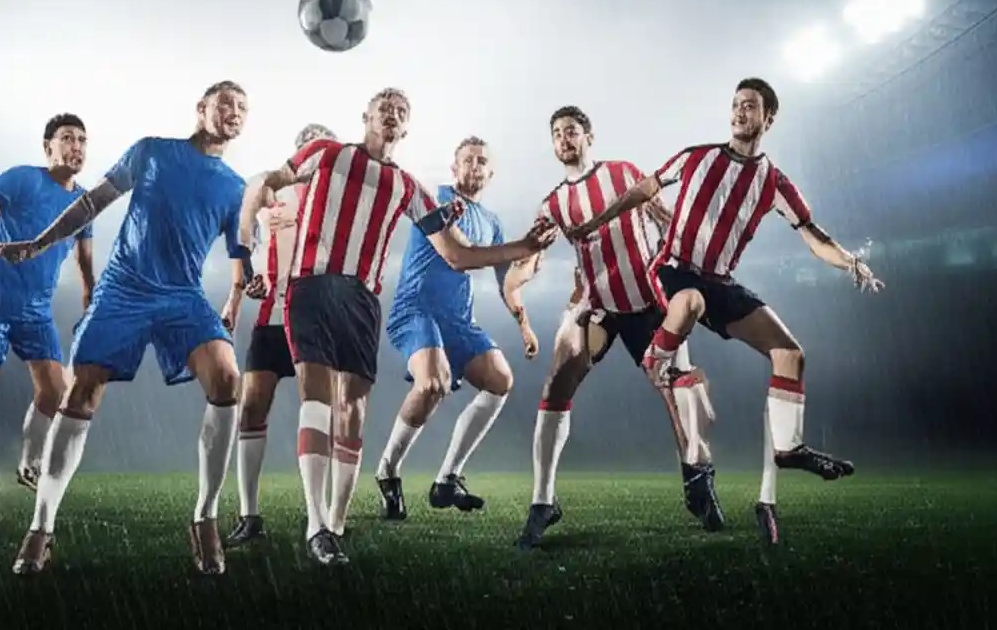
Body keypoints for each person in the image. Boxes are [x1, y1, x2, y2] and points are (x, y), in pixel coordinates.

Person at [237, 87, 558, 566]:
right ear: (364, 115)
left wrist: (523, 245)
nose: (392, 112)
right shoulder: (325, 154)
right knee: (318, 400)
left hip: (362, 300)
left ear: (405, 129)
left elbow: (455, 254)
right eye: (384, 106)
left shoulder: (409, 187)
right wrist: (250, 240)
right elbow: (269, 180)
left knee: (354, 414)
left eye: (401, 111)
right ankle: (316, 524)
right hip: (312, 287)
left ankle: (338, 524)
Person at [566, 78, 883, 544]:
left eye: (749, 106)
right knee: (689, 302)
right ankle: (657, 359)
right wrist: (596, 221)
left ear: (767, 118)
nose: (739, 112)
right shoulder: (697, 156)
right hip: (673, 270)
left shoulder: (773, 181)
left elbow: (811, 234)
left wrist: (851, 261)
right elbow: (642, 189)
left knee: (790, 353)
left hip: (719, 281)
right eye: (735, 105)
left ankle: (790, 446)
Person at [0, 81, 258, 575]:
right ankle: (41, 527)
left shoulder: (235, 187)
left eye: (243, 108)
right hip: (124, 289)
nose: (235, 112)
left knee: (227, 378)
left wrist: (241, 293)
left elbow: (240, 252)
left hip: (182, 296)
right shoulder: (152, 151)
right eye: (226, 103)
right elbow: (93, 201)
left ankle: (205, 518)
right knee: (82, 394)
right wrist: (38, 242)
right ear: (201, 109)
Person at [505, 106, 721, 551]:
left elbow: (665, 219)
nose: (565, 139)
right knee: (557, 380)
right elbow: (532, 257)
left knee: (679, 394)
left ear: (589, 137)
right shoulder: (552, 204)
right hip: (597, 307)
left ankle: (698, 480)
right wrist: (518, 278)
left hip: (649, 304)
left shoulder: (623, 173)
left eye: (572, 131)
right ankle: (543, 501)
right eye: (557, 134)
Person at [0, 113, 95, 535]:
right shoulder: (21, 179)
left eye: (82, 139)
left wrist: (91, 293)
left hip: (36, 310)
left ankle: (29, 462)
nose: (76, 146)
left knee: (57, 391)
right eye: (67, 138)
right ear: (48, 146)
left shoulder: (84, 204)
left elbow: (84, 259)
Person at [374, 136, 538, 519]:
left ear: (491, 173)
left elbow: (507, 282)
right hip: (417, 309)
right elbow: (458, 258)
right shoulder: (436, 199)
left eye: (482, 161)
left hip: (458, 320)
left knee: (500, 379)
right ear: (454, 166)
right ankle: (388, 471)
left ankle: (447, 479)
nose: (475, 166)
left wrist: (531, 266)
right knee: (433, 383)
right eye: (468, 160)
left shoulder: (492, 222)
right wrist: (522, 247)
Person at [225, 123, 338, 547]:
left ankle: (319, 518)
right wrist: (249, 287)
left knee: (320, 409)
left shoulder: (337, 200)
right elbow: (250, 256)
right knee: (251, 407)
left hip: (317, 318)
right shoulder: (269, 197)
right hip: (272, 317)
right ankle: (249, 515)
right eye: (305, 145)